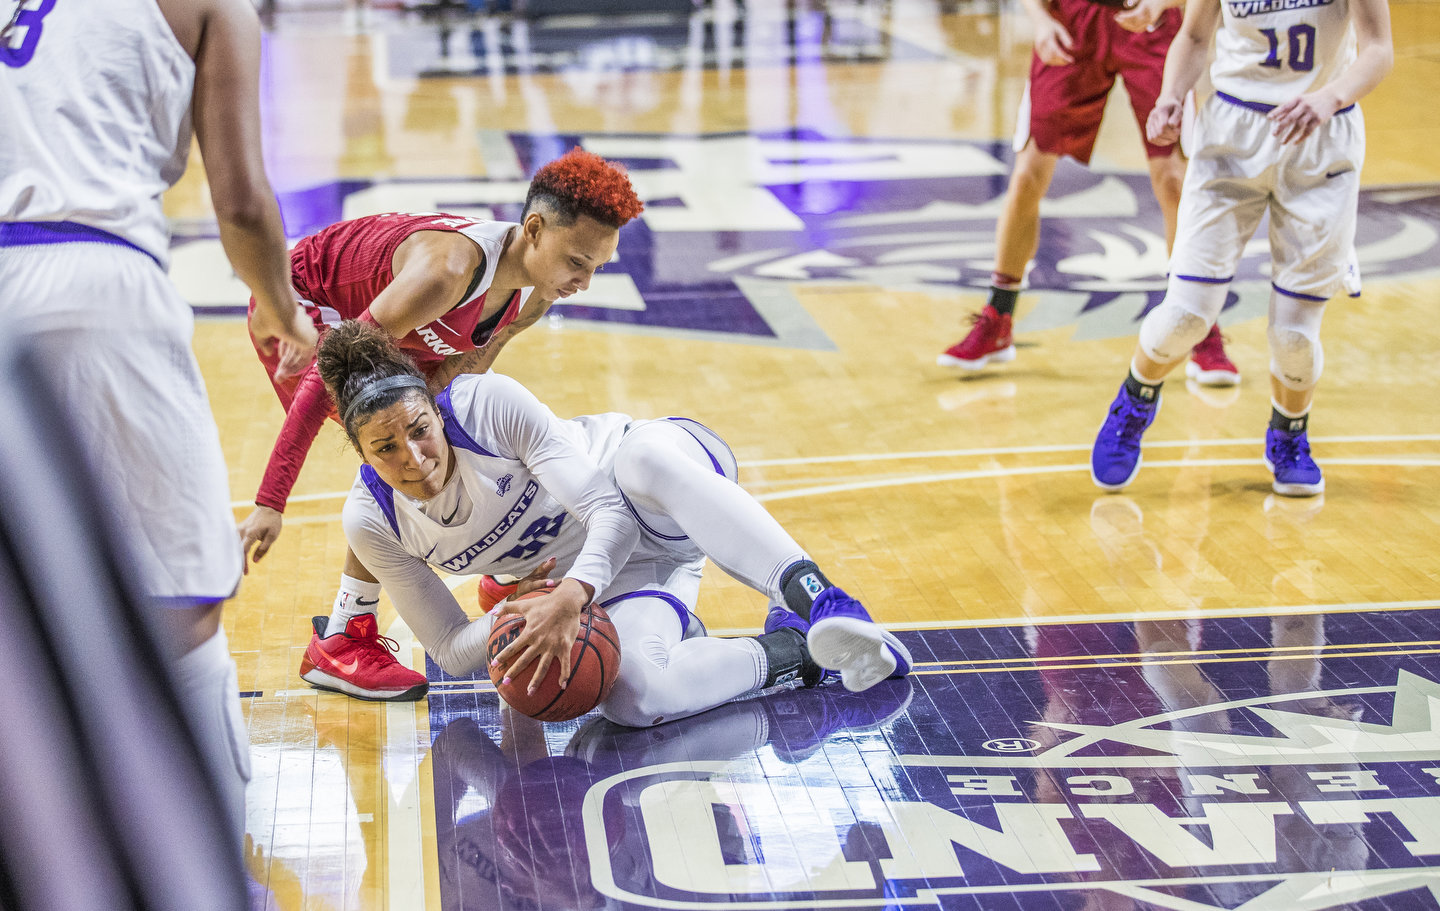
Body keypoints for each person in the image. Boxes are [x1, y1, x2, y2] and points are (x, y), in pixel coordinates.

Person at [1, 0, 318, 843]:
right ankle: (198, 857)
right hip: (95, 289)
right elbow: (241, 203)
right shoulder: (211, 6)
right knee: (185, 610)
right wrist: (282, 307)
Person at [318, 320, 912, 726]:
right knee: (634, 699)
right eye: (386, 448)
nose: (414, 457)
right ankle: (796, 649)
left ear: (435, 411)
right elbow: (450, 649)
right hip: (620, 576)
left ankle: (826, 602)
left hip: (661, 491)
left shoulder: (485, 406)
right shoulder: (371, 520)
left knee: (642, 459)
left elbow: (611, 512)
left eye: (420, 430)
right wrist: (515, 612)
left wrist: (571, 592)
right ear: (360, 452)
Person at [237, 148, 643, 702]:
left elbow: (463, 386)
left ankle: (504, 565)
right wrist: (270, 501)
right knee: (393, 445)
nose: (585, 282)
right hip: (301, 308)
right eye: (577, 261)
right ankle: (343, 636)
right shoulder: (447, 273)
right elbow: (318, 381)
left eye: (596, 267)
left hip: (376, 315)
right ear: (533, 229)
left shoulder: (533, 295)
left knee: (430, 430)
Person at [1089, 0, 1392, 496]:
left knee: (1295, 337)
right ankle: (1135, 399)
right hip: (1232, 132)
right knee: (1185, 316)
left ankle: (1288, 435)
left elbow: (1379, 49)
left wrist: (1330, 97)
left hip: (1322, 136)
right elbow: (1193, 37)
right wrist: (1170, 95)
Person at [937, 0, 1239, 386]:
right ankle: (998, 316)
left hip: (1152, 23)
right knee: (1028, 174)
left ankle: (1200, 326)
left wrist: (1161, 3)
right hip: (1072, 22)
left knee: (1174, 182)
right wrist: (1040, 20)